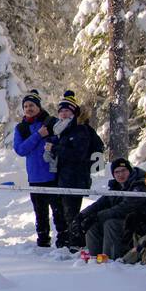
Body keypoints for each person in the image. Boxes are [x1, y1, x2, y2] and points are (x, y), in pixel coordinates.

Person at [43, 91, 104, 250]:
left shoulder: (80, 130)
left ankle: (75, 244)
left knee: (71, 213)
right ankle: (66, 241)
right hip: (62, 177)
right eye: (61, 111)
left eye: (67, 110)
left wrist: (55, 148)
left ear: (74, 113)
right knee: (61, 213)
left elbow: (78, 154)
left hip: (75, 178)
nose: (63, 113)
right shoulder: (61, 130)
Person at [12, 90, 63, 247]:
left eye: (32, 105)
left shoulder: (51, 122)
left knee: (59, 212)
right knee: (40, 213)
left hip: (54, 175)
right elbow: (20, 150)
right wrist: (38, 135)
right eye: (26, 106)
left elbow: (61, 140)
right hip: (35, 177)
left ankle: (63, 239)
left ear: (39, 106)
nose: (29, 108)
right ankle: (43, 241)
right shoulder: (21, 128)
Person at [74, 158, 146, 261]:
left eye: (123, 170)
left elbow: (125, 208)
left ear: (130, 171)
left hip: (140, 224)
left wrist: (97, 216)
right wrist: (82, 215)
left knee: (111, 224)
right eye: (117, 172)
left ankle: (109, 260)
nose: (120, 174)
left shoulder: (141, 184)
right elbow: (100, 203)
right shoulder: (116, 186)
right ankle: (94, 258)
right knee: (92, 225)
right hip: (126, 221)